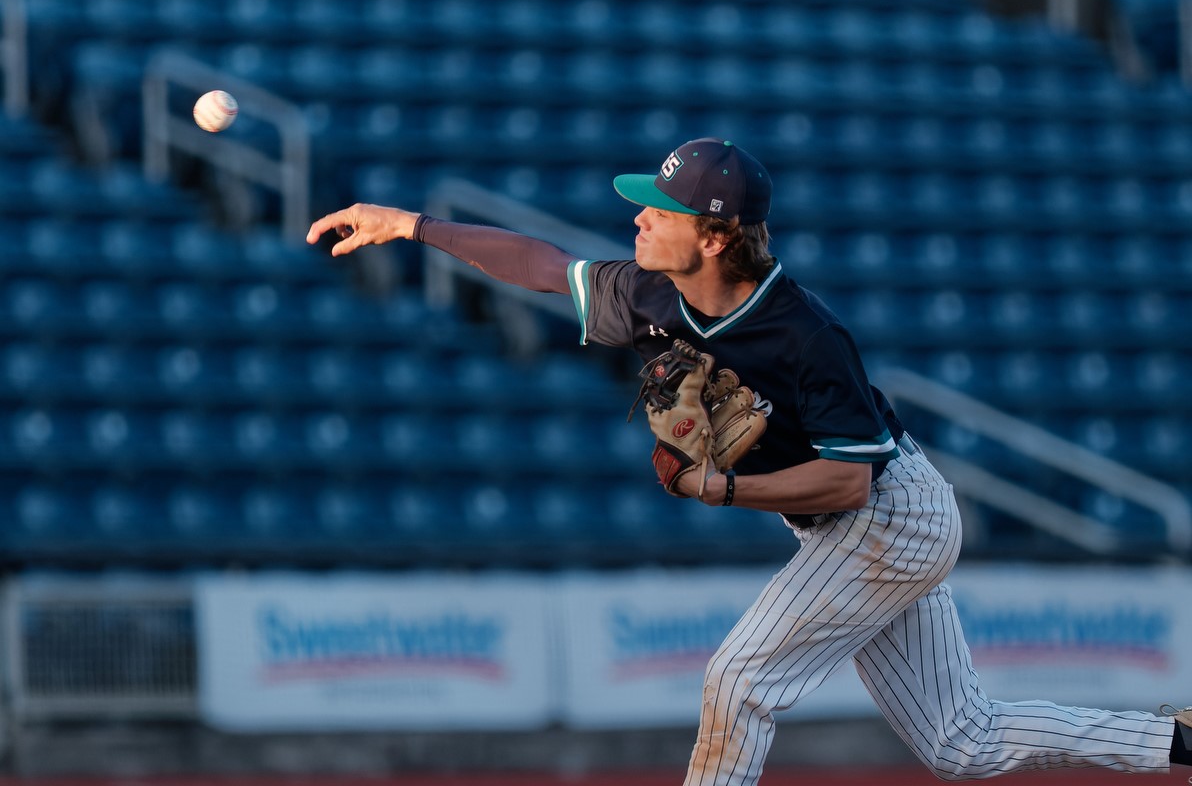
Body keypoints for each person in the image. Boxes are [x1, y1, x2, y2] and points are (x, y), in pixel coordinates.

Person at [308, 138, 1191, 785]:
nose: (639, 217)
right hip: (846, 526)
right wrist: (412, 224)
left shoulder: (804, 336)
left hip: (891, 520)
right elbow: (544, 266)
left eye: (661, 211)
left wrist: (720, 486)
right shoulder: (656, 288)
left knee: (739, 680)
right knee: (961, 741)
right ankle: (1177, 744)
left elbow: (850, 479)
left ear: (718, 237)